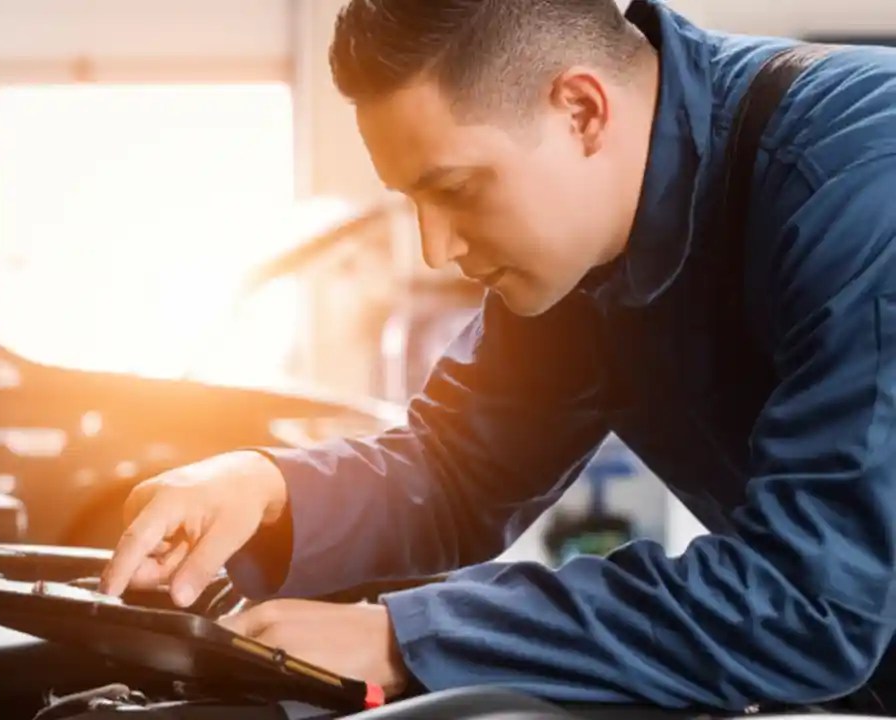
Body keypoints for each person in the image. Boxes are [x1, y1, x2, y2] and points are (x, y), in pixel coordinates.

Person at [100, 0, 896, 711]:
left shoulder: (861, 181)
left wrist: (403, 637)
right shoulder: (587, 252)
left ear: (581, 111)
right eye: (413, 199)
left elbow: (809, 602)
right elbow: (458, 475)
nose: (436, 246)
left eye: (456, 189)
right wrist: (268, 491)